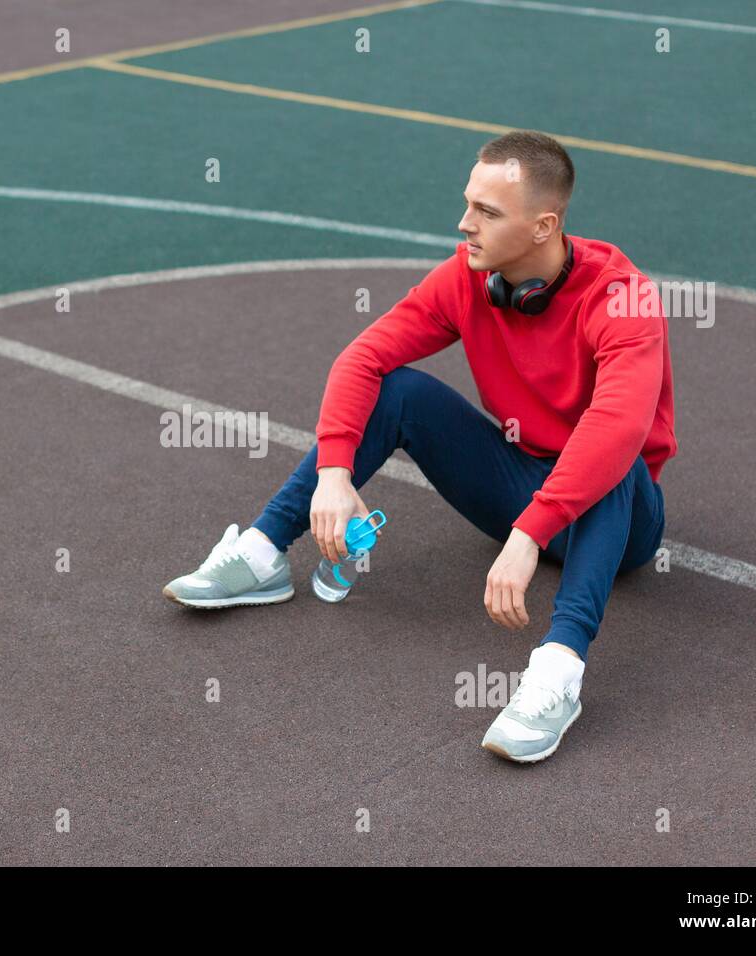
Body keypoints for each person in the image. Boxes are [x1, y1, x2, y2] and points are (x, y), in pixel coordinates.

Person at [162, 130, 677, 763]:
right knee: (397, 388)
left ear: (544, 226)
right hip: (519, 485)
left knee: (611, 453)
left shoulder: (622, 296)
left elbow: (619, 427)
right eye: (468, 204)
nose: (466, 224)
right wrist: (333, 473)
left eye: (487, 212)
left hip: (620, 522)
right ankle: (264, 551)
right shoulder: (467, 279)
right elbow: (362, 358)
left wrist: (528, 535)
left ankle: (558, 672)